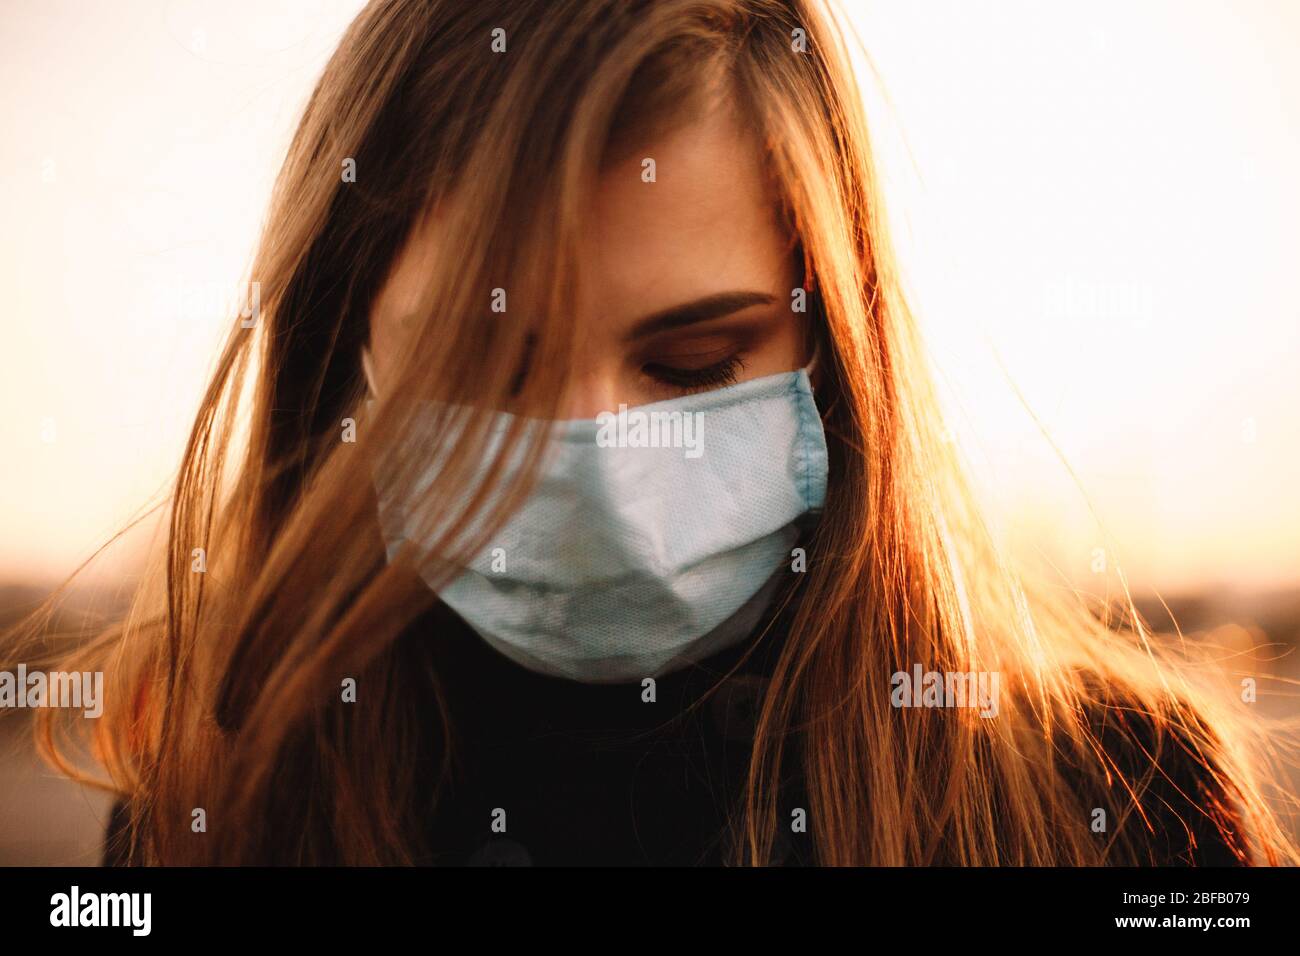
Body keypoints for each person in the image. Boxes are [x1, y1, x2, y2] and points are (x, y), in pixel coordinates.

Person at [20, 0, 1297, 866]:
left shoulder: (1115, 804)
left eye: (693, 363)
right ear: (344, 367)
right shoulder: (224, 821)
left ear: (834, 351)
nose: (598, 464)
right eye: (482, 360)